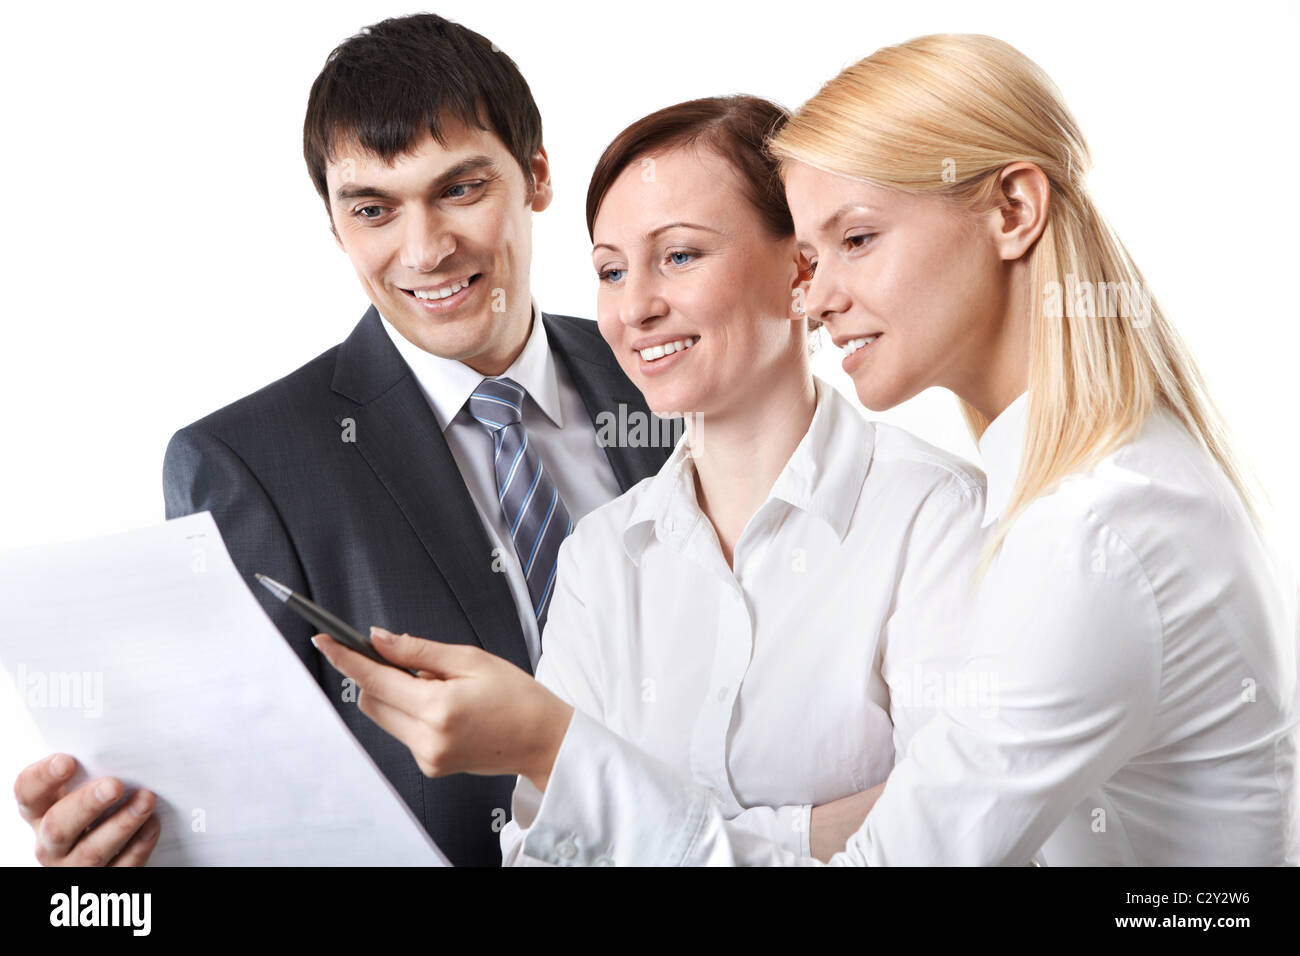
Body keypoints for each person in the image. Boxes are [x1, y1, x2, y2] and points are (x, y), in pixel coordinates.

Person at [316, 34, 1298, 866]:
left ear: (1011, 212)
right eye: (611, 269)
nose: (821, 291)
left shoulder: (1079, 529)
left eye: (855, 239)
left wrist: (556, 744)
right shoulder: (1056, 498)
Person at [11, 13, 673, 868]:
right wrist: (113, 882)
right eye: (373, 209)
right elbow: (239, 822)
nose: (426, 250)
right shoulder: (250, 468)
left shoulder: (664, 373)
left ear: (537, 175)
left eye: (461, 189)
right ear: (333, 223)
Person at [315, 95, 987, 865]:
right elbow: (542, 856)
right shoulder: (600, 556)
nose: (635, 307)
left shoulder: (937, 516)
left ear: (801, 269)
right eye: (610, 270)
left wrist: (626, 814)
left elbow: (956, 839)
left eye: (680, 256)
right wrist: (824, 830)